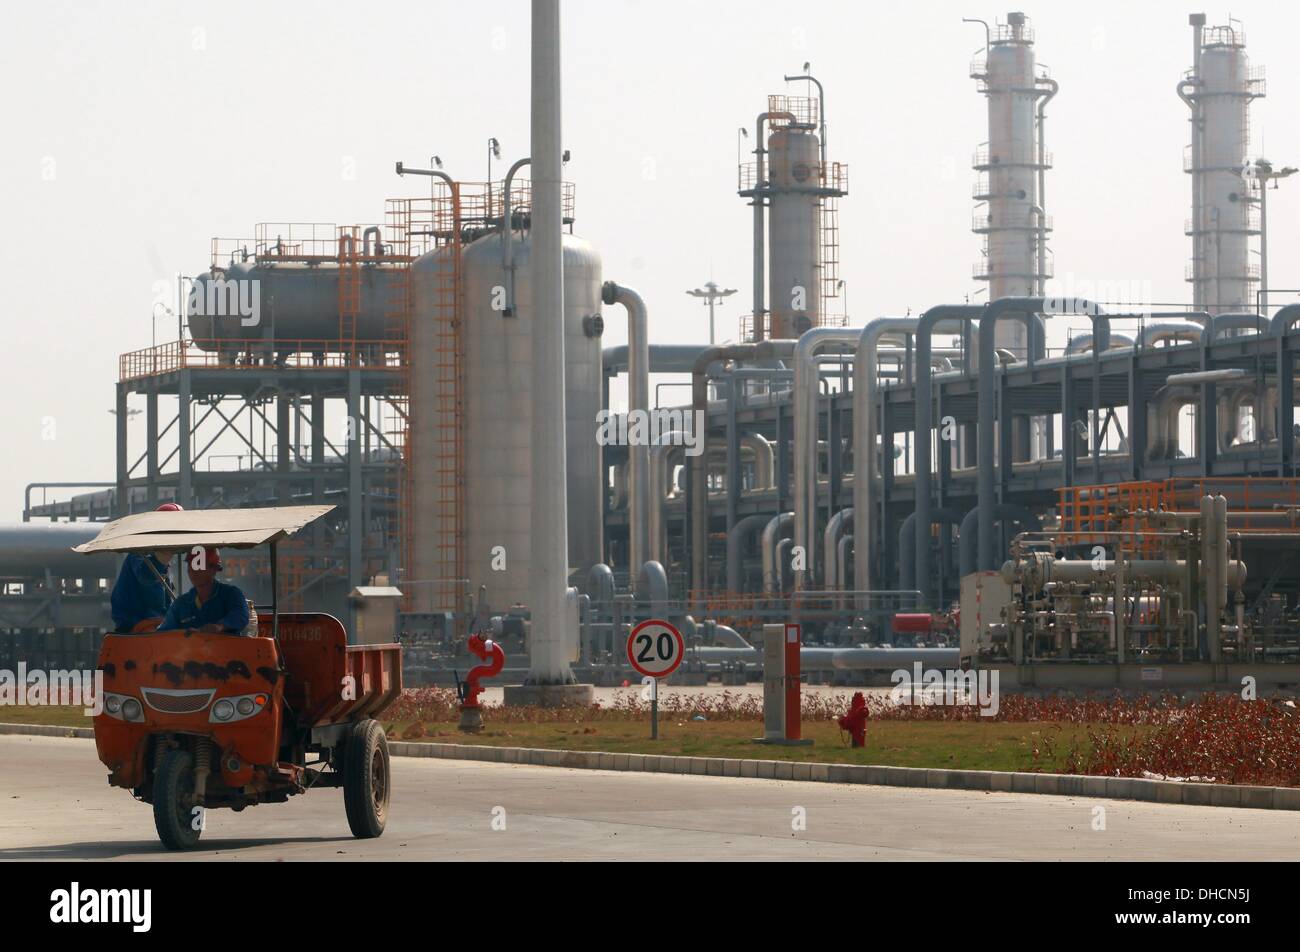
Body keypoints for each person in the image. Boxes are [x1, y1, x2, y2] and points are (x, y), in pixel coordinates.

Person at [109, 503, 183, 633]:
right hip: (136, 626)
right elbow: (146, 576)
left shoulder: (164, 563)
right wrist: (162, 558)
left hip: (155, 625)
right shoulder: (139, 555)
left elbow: (165, 604)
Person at [159, 546, 251, 635]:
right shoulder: (181, 604)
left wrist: (220, 626)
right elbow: (163, 634)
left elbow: (241, 615)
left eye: (199, 566)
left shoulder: (231, 595)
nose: (193, 571)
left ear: (214, 569)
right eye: (191, 566)